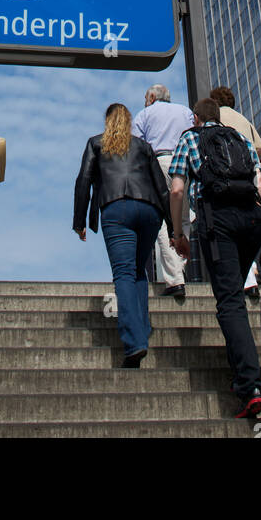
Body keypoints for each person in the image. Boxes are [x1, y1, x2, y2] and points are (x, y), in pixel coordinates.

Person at [168, 97, 261, 419]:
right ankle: (249, 372)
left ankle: (250, 387)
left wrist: (178, 235)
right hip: (253, 221)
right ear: (220, 117)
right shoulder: (241, 140)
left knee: (230, 301)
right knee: (235, 290)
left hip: (216, 222)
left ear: (195, 118)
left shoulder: (190, 139)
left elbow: (177, 190)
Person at [73, 102, 172, 367]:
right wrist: (173, 229)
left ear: (107, 122)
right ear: (129, 121)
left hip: (117, 209)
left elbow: (83, 179)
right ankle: (143, 328)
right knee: (138, 270)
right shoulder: (143, 146)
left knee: (124, 273)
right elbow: (162, 187)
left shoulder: (96, 143)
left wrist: (79, 221)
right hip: (149, 210)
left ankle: (134, 343)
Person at [131, 84, 194, 297]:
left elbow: (136, 146)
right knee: (183, 219)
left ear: (151, 97)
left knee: (160, 223)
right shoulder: (185, 111)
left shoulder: (145, 114)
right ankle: (180, 269)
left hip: (157, 163)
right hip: (183, 163)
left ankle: (175, 280)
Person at [210, 86, 261, 299]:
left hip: (226, 180)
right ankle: (251, 276)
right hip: (249, 178)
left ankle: (246, 280)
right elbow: (260, 148)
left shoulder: (215, 118)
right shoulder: (243, 119)